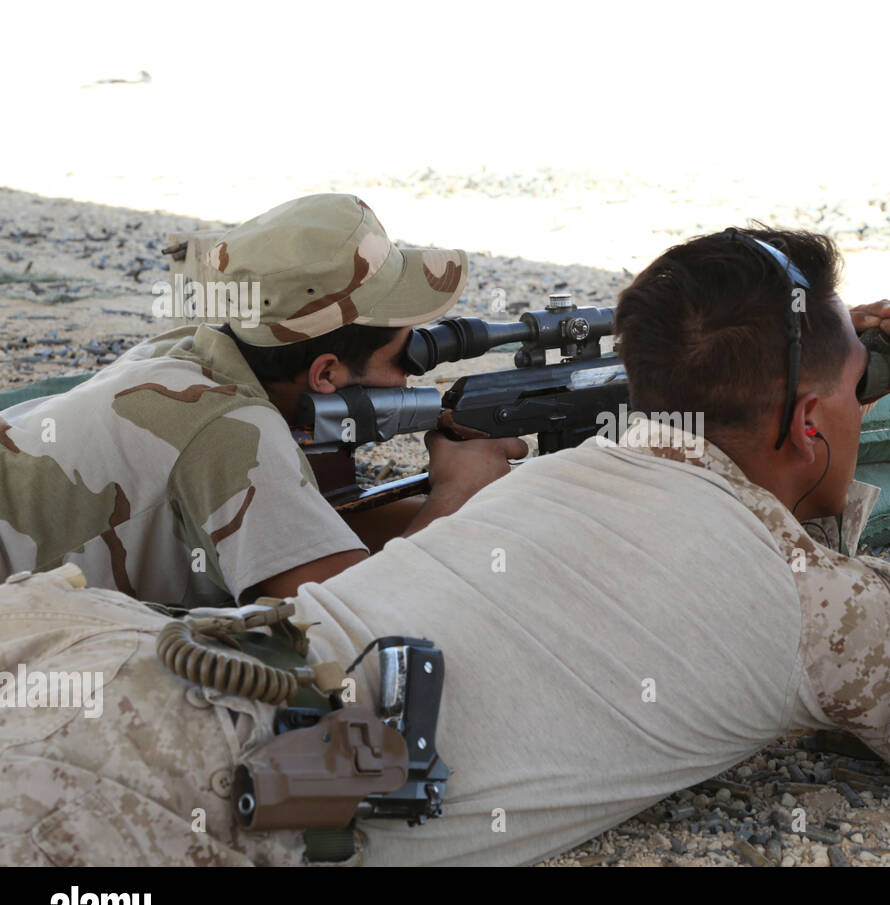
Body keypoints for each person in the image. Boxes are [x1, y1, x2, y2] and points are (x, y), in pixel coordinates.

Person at [0, 227, 890, 866]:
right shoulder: (822, 614)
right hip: (147, 819)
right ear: (814, 423)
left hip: (84, 665)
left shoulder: (559, 480)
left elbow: (757, 531)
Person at [0, 193, 525, 607]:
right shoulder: (231, 431)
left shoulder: (194, 350)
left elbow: (305, 532)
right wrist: (458, 496)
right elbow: (347, 619)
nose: (411, 378)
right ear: (325, 373)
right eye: (405, 357)